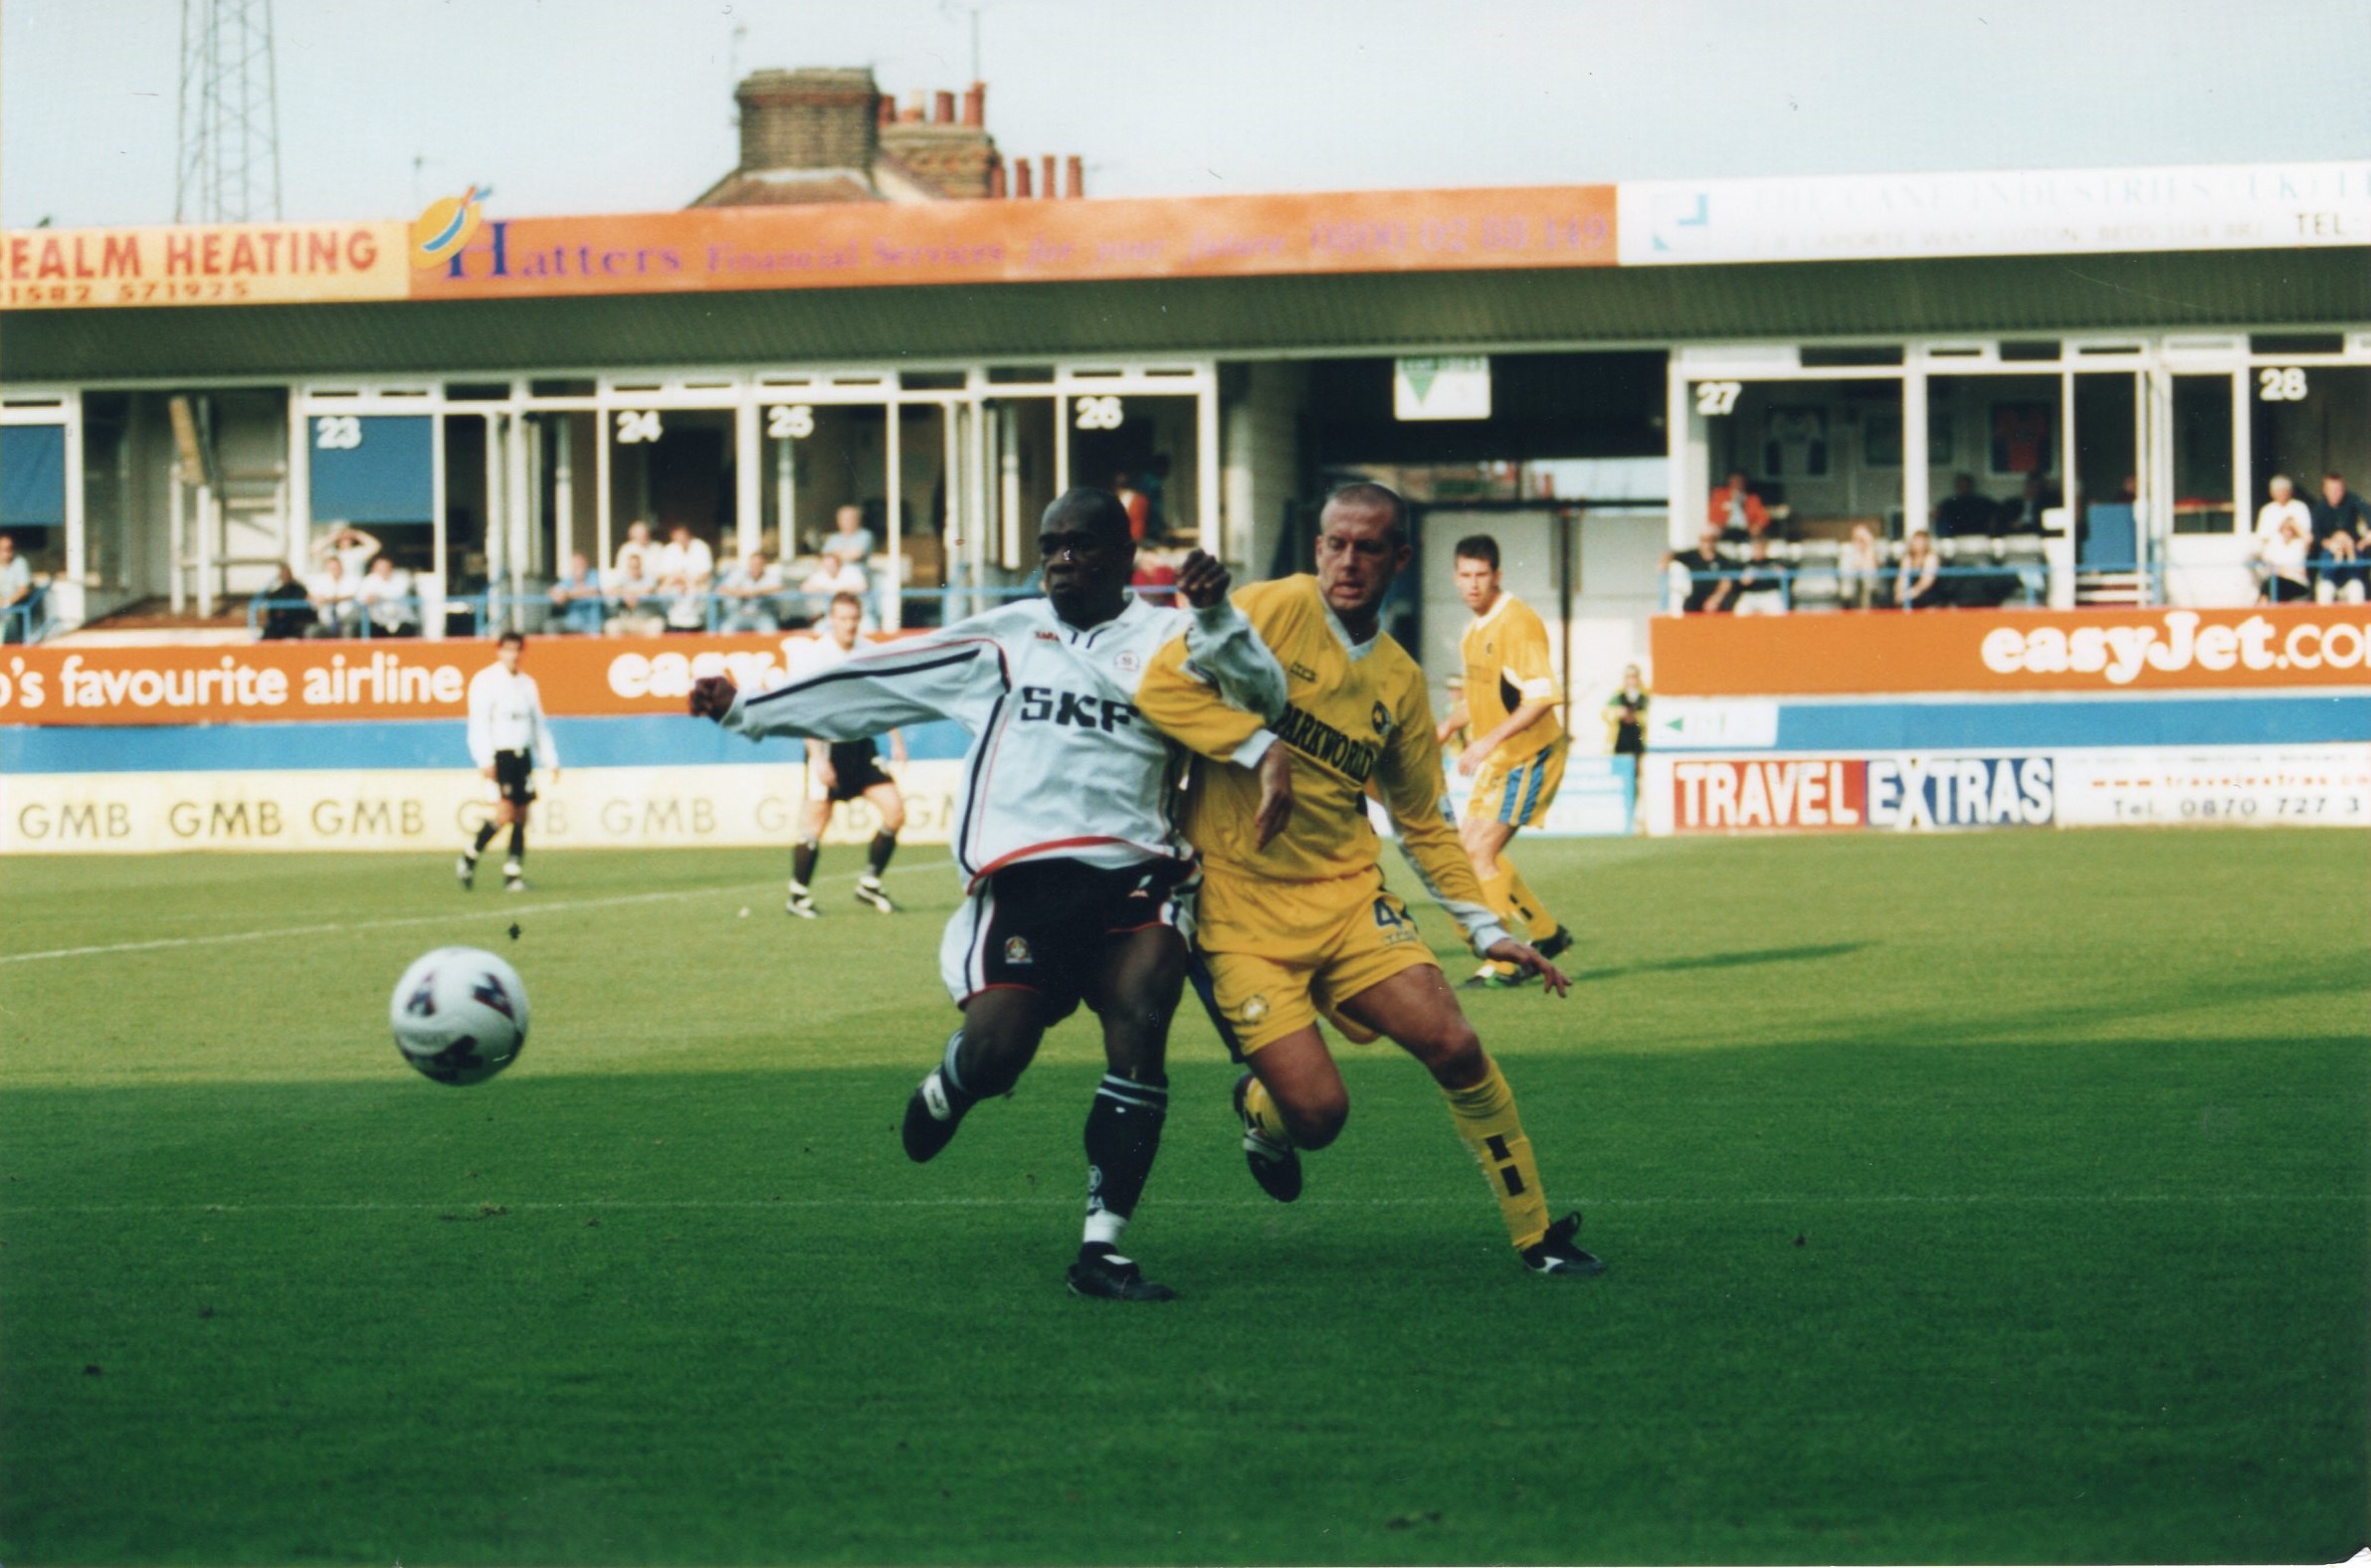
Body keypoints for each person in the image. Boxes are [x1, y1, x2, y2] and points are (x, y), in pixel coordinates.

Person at [690, 488, 1291, 1302]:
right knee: (998, 1053)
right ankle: (953, 1083)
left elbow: (1264, 697)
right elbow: (879, 680)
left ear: (1122, 557)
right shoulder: (1007, 637)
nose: (1059, 560)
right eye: (1048, 546)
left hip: (1136, 874)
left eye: (1078, 545)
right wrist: (751, 709)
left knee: (1142, 1023)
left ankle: (1101, 1249)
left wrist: (1219, 618)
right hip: (1026, 881)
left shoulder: (1172, 637)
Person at [1133, 482, 1603, 1280]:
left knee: (1455, 1043)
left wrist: (1486, 930)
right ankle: (1261, 1104)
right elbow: (1160, 687)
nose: (1347, 562)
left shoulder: (1397, 680)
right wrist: (1258, 749)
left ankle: (1536, 1236)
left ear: (1398, 559)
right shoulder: (1271, 607)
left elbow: (1422, 822)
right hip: (1239, 911)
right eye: (1334, 544)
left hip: (1348, 899)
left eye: (1367, 548)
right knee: (1317, 1118)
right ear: (1316, 548)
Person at [1433, 535, 1574, 990]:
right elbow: (1484, 697)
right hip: (1499, 756)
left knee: (1478, 853)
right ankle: (1547, 932)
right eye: (1465, 575)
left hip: (1527, 754)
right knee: (1466, 852)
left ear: (1497, 576)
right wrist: (1449, 727)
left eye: (1481, 575)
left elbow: (1541, 697)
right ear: (1456, 577)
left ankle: (1509, 962)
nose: (1473, 585)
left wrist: (1485, 742)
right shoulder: (1474, 630)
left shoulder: (1517, 622)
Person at [782, 591, 909, 918]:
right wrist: (818, 758)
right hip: (826, 746)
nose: (849, 625)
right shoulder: (817, 656)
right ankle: (798, 896)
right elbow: (803, 711)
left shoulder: (869, 650)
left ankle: (869, 883)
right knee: (814, 823)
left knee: (895, 811)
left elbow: (882, 698)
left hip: (861, 745)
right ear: (831, 619)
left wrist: (895, 739)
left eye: (854, 618)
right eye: (842, 618)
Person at [460, 631, 558, 893]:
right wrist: (484, 759)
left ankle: (512, 874)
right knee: (504, 814)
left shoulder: (527, 684)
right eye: (508, 649)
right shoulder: (486, 681)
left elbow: (538, 724)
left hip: (522, 754)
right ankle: (469, 856)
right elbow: (478, 723)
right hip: (499, 755)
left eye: (517, 650)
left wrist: (550, 759)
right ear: (499, 651)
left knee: (522, 816)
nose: (513, 655)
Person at [2311, 472, 2371, 601]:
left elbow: (2367, 511)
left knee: (2357, 587)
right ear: (2324, 490)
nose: (2336, 493)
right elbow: (2315, 533)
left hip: (2353, 553)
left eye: (2339, 490)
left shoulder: (2351, 500)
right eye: (2331, 490)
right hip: (2329, 549)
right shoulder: (2319, 508)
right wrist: (2330, 545)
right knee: (2325, 589)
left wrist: (2363, 542)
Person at [654, 522, 715, 631]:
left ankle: (698, 625)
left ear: (689, 535)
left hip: (697, 586)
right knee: (663, 591)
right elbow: (661, 575)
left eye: (683, 535)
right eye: (678, 536)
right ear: (673, 536)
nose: (681, 538)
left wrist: (688, 581)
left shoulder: (701, 547)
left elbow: (706, 574)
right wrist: (678, 580)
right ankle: (671, 624)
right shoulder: (669, 549)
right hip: (674, 586)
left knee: (698, 592)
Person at [1662, 525, 1734, 613]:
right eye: (1704, 540)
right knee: (1689, 605)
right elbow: (1671, 555)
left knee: (1724, 605)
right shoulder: (1693, 555)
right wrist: (1664, 564)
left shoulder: (1722, 560)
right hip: (1697, 596)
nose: (1707, 543)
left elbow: (1726, 584)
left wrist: (1715, 599)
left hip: (1714, 597)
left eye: (1711, 540)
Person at [718, 550, 789, 632]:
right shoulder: (739, 574)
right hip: (739, 613)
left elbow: (780, 587)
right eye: (753, 564)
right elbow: (722, 588)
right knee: (726, 630)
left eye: (758, 564)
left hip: (762, 614)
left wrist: (758, 592)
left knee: (770, 631)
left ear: (764, 565)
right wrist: (740, 592)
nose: (755, 567)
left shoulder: (771, 575)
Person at [2255, 506, 2312, 604]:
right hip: (2277, 579)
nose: (2288, 532)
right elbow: (2267, 563)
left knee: (2273, 584)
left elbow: (2308, 539)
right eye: (2285, 529)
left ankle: (2261, 607)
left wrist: (2294, 524)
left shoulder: (2299, 544)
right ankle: (2263, 608)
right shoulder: (2275, 544)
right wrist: (2283, 570)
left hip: (2297, 582)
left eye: (2291, 529)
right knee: (2272, 583)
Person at [356, 556, 419, 637]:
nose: (383, 571)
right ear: (374, 569)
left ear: (391, 568)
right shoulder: (369, 580)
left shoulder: (401, 578)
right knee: (364, 628)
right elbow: (360, 598)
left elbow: (398, 593)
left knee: (406, 630)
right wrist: (367, 599)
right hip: (379, 622)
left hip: (401, 620)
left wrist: (377, 596)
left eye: (385, 568)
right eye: (380, 569)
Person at [305, 553, 363, 637]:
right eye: (331, 568)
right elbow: (309, 595)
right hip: (326, 622)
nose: (334, 570)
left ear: (341, 566)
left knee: (349, 631)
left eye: (336, 567)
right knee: (311, 632)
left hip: (348, 621)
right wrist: (314, 598)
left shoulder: (352, 579)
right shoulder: (320, 580)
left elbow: (352, 595)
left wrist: (329, 600)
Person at [255, 562, 315, 640]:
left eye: (287, 573)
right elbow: (272, 611)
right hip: (281, 624)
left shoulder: (300, 590)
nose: (285, 576)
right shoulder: (276, 593)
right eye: (283, 574)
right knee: (269, 631)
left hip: (297, 622)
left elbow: (306, 608)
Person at [1731, 536, 1790, 615]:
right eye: (1756, 548)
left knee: (1779, 611)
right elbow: (1738, 585)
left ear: (1766, 548)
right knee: (1740, 611)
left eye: (1761, 547)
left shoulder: (1774, 563)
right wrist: (1743, 581)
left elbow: (1786, 578)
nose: (1758, 550)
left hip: (1769, 594)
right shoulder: (1745, 565)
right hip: (1750, 595)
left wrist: (1781, 574)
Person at [547, 552, 604, 635]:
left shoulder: (593, 575)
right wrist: (557, 594)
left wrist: (568, 595)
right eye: (574, 565)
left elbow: (593, 590)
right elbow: (553, 591)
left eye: (580, 565)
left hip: (592, 622)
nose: (577, 568)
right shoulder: (569, 579)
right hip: (572, 621)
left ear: (586, 565)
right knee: (550, 625)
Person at [1706, 469, 1769, 539]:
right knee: (1711, 530)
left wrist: (1758, 526)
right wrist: (1719, 525)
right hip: (1725, 530)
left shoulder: (1752, 498)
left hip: (1746, 530)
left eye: (1740, 481)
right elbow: (1712, 515)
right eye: (1734, 481)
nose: (1737, 484)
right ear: (1729, 481)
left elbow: (1763, 517)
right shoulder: (1719, 495)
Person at [1933, 474, 1997, 541]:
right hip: (1957, 538)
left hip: (1979, 537)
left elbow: (1997, 511)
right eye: (1961, 486)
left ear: (1970, 486)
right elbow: (1937, 513)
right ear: (1957, 487)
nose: (1964, 488)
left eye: (1966, 485)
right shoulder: (1950, 503)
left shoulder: (1981, 501)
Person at [1895, 530, 1946, 610]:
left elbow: (1926, 582)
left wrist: (1909, 594)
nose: (1915, 544)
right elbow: (1902, 578)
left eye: (1919, 541)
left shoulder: (1931, 557)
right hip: (1911, 597)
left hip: (1928, 596)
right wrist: (1898, 593)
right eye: (1915, 540)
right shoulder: (1907, 558)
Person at [1838, 522, 1882, 610]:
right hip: (1852, 593)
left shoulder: (1874, 550)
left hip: (1871, 593)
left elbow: (1871, 572)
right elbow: (1856, 569)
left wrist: (1869, 546)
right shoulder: (1847, 550)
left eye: (1863, 539)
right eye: (1857, 538)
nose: (1859, 542)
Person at [0, 533, 34, 643]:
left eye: (10, 548)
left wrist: (7, 602)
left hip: (15, 604)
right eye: (3, 549)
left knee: (8, 614)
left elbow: (24, 589)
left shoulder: (19, 562)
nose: (7, 552)